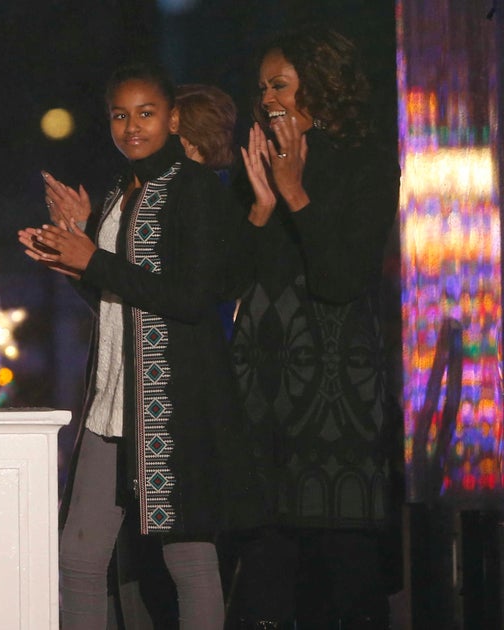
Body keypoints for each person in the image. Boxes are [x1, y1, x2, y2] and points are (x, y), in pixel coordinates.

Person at [21, 62, 254, 630]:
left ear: (173, 118)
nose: (132, 127)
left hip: (171, 404)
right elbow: (116, 307)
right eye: (119, 116)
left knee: (189, 557)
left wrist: (91, 258)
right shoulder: (120, 192)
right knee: (77, 558)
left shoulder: (195, 189)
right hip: (112, 403)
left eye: (146, 113)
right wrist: (71, 262)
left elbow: (193, 297)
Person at [225, 27, 400, 629]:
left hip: (336, 397)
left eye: (281, 84)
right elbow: (232, 281)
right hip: (263, 390)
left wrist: (296, 192)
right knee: (265, 562)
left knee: (342, 563)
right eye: (262, 87)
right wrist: (258, 210)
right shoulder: (253, 162)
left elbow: (343, 279)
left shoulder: (365, 160)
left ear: (320, 86)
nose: (268, 97)